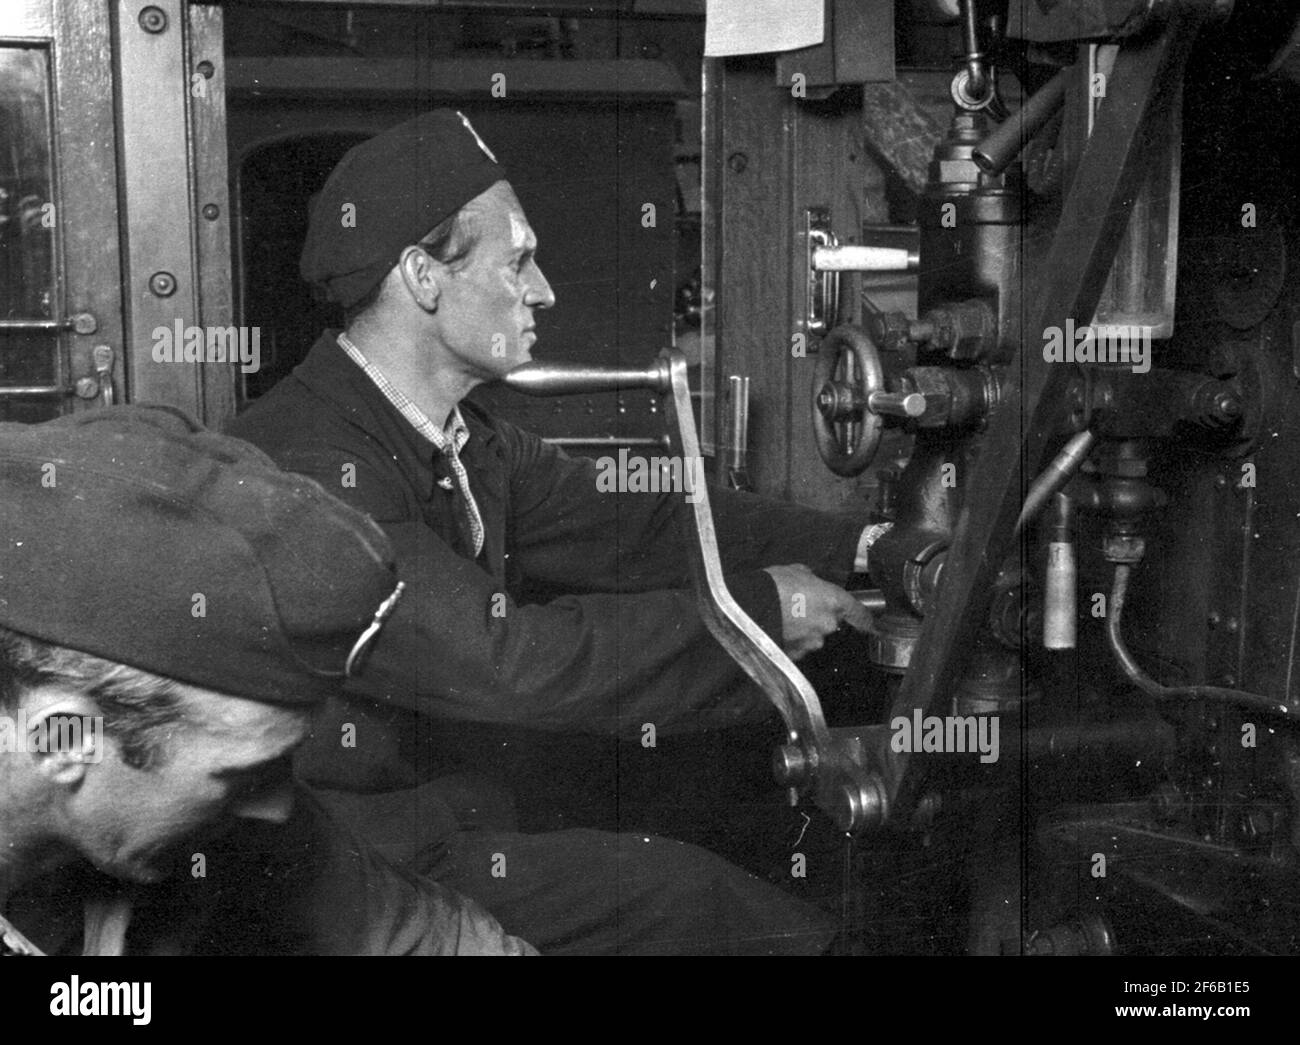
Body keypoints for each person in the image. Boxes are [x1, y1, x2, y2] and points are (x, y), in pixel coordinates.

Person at [227, 110, 886, 955]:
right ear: (424, 278)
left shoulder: (463, 434)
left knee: (725, 804)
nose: (542, 291)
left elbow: (633, 523)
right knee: (709, 908)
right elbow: (511, 663)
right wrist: (761, 612)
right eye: (519, 261)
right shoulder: (314, 466)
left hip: (440, 810)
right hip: (354, 859)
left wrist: (861, 546)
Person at [0, 405, 534, 955]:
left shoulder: (236, 816)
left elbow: (437, 940)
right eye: (240, 776)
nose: (278, 809)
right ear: (64, 739)